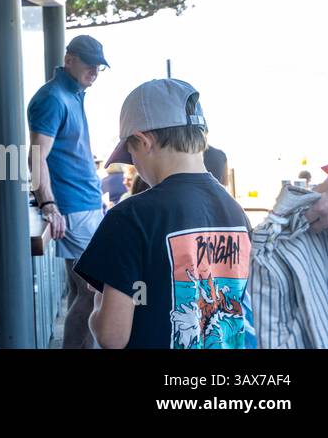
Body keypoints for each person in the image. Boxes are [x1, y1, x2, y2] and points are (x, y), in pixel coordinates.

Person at [75, 79, 254, 349]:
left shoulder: (129, 217)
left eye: (130, 153)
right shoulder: (236, 213)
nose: (133, 165)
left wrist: (98, 305)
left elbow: (112, 336)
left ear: (143, 142)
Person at [27, 33, 108, 349]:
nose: (94, 72)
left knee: (79, 290)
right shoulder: (52, 98)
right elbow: (36, 156)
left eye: (99, 67)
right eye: (89, 65)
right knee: (92, 293)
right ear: (69, 60)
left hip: (86, 204)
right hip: (74, 208)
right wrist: (48, 204)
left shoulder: (72, 94)